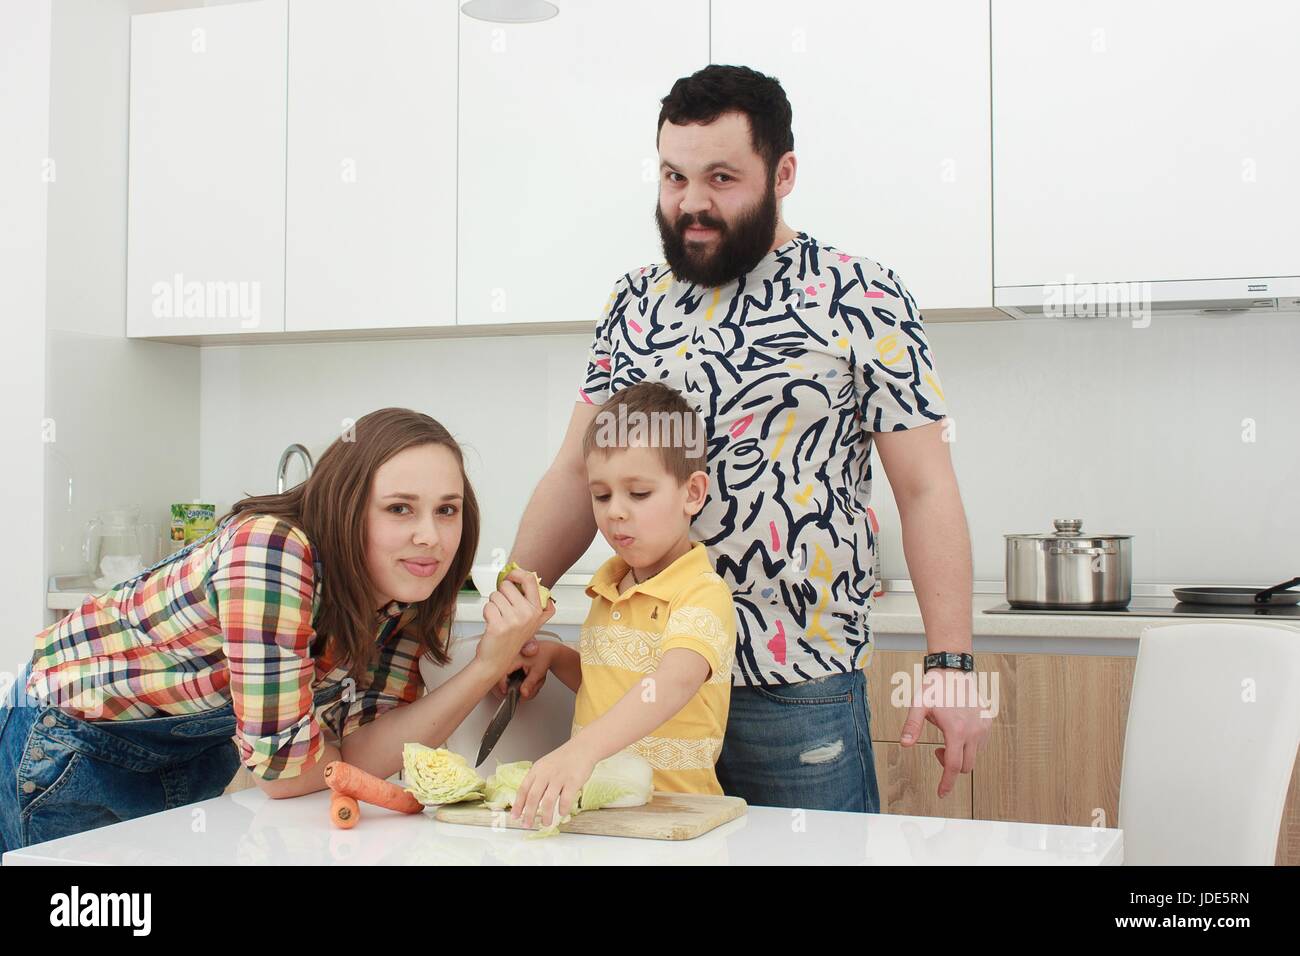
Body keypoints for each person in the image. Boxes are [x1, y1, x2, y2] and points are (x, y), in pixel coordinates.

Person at [498, 64, 990, 813]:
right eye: (673, 177)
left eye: (721, 177)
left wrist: (951, 662)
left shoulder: (862, 294)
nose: (691, 203)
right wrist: (512, 613)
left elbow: (924, 487)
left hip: (795, 690)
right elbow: (574, 473)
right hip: (642, 691)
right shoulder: (632, 304)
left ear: (783, 172)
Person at [0, 407, 552, 852]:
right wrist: (482, 666)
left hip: (189, 754)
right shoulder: (271, 550)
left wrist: (488, 665)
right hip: (72, 741)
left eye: (447, 510)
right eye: (400, 508)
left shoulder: (402, 592)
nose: (430, 536)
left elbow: (363, 754)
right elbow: (287, 777)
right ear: (346, 506)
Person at [501, 383, 736, 827]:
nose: (615, 513)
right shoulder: (608, 589)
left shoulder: (702, 592)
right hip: (604, 814)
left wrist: (581, 751)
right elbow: (609, 685)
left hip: (677, 819)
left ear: (692, 493)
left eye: (639, 494)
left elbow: (672, 682)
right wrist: (556, 658)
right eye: (602, 495)